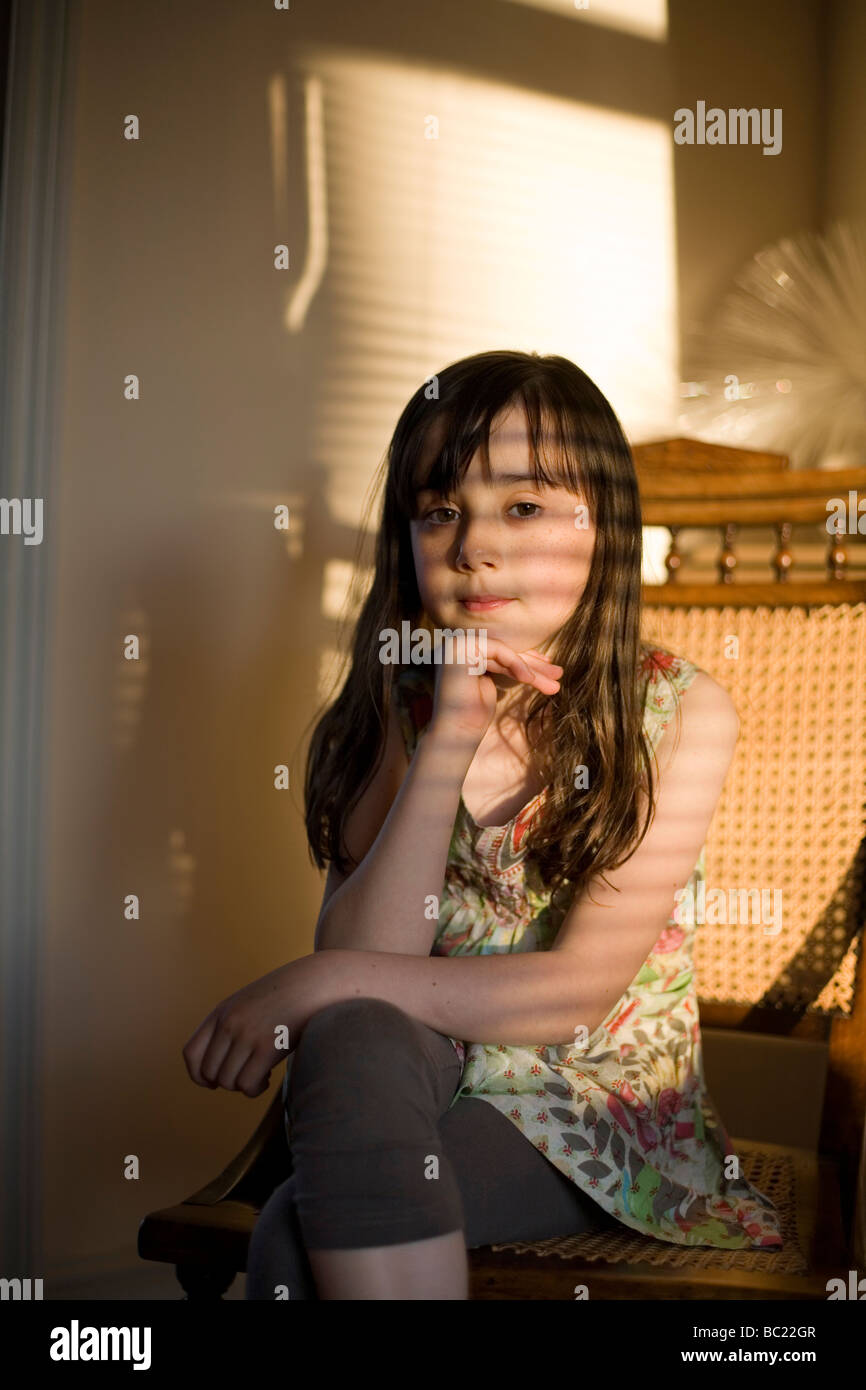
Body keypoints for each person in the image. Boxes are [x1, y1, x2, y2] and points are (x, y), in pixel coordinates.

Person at [183, 349, 785, 1300]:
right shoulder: (399, 704)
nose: (473, 546)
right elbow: (366, 963)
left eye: (523, 507)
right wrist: (450, 738)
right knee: (351, 1037)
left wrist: (314, 976)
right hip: (420, 1076)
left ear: (607, 530)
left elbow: (576, 994)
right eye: (439, 511)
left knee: (298, 1244)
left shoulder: (679, 711)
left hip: (592, 1108)